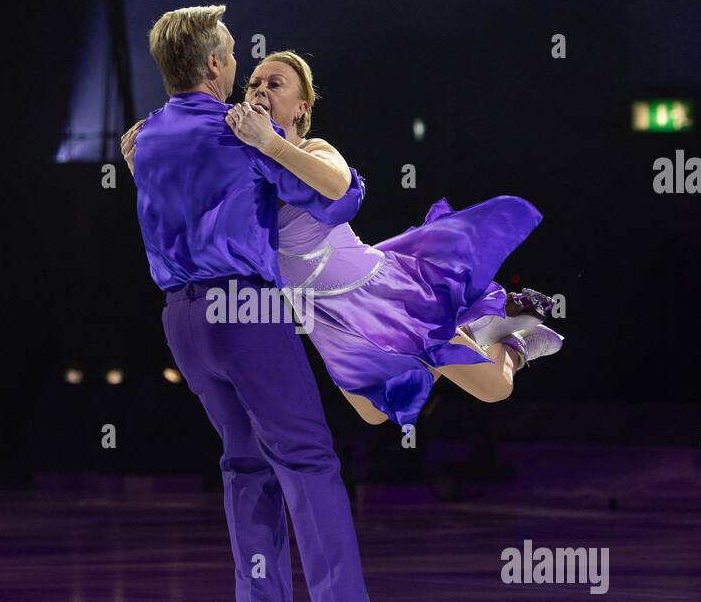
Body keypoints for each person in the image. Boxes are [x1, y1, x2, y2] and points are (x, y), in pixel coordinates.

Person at [130, 5, 399, 602]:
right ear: (216, 65)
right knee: (307, 460)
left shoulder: (144, 139)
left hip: (182, 322)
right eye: (233, 58)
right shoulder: (236, 134)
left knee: (245, 463)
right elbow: (340, 202)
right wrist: (273, 143)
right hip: (244, 310)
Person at [124, 50, 564, 430]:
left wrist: (272, 146)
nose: (259, 88)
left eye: (275, 83)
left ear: (300, 106)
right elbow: (193, 224)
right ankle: (468, 326)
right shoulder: (242, 168)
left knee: (494, 389)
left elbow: (337, 186)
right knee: (375, 414)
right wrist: (142, 172)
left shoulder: (315, 149)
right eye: (254, 82)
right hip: (320, 313)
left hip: (377, 292)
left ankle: (516, 342)